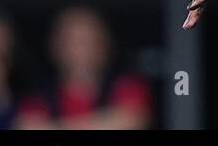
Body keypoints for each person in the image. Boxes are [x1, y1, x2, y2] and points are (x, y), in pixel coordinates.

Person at [14, 7, 152, 130]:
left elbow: (132, 120)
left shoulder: (127, 86)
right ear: (56, 47)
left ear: (105, 46)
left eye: (90, 41)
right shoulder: (37, 96)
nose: (83, 51)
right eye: (73, 42)